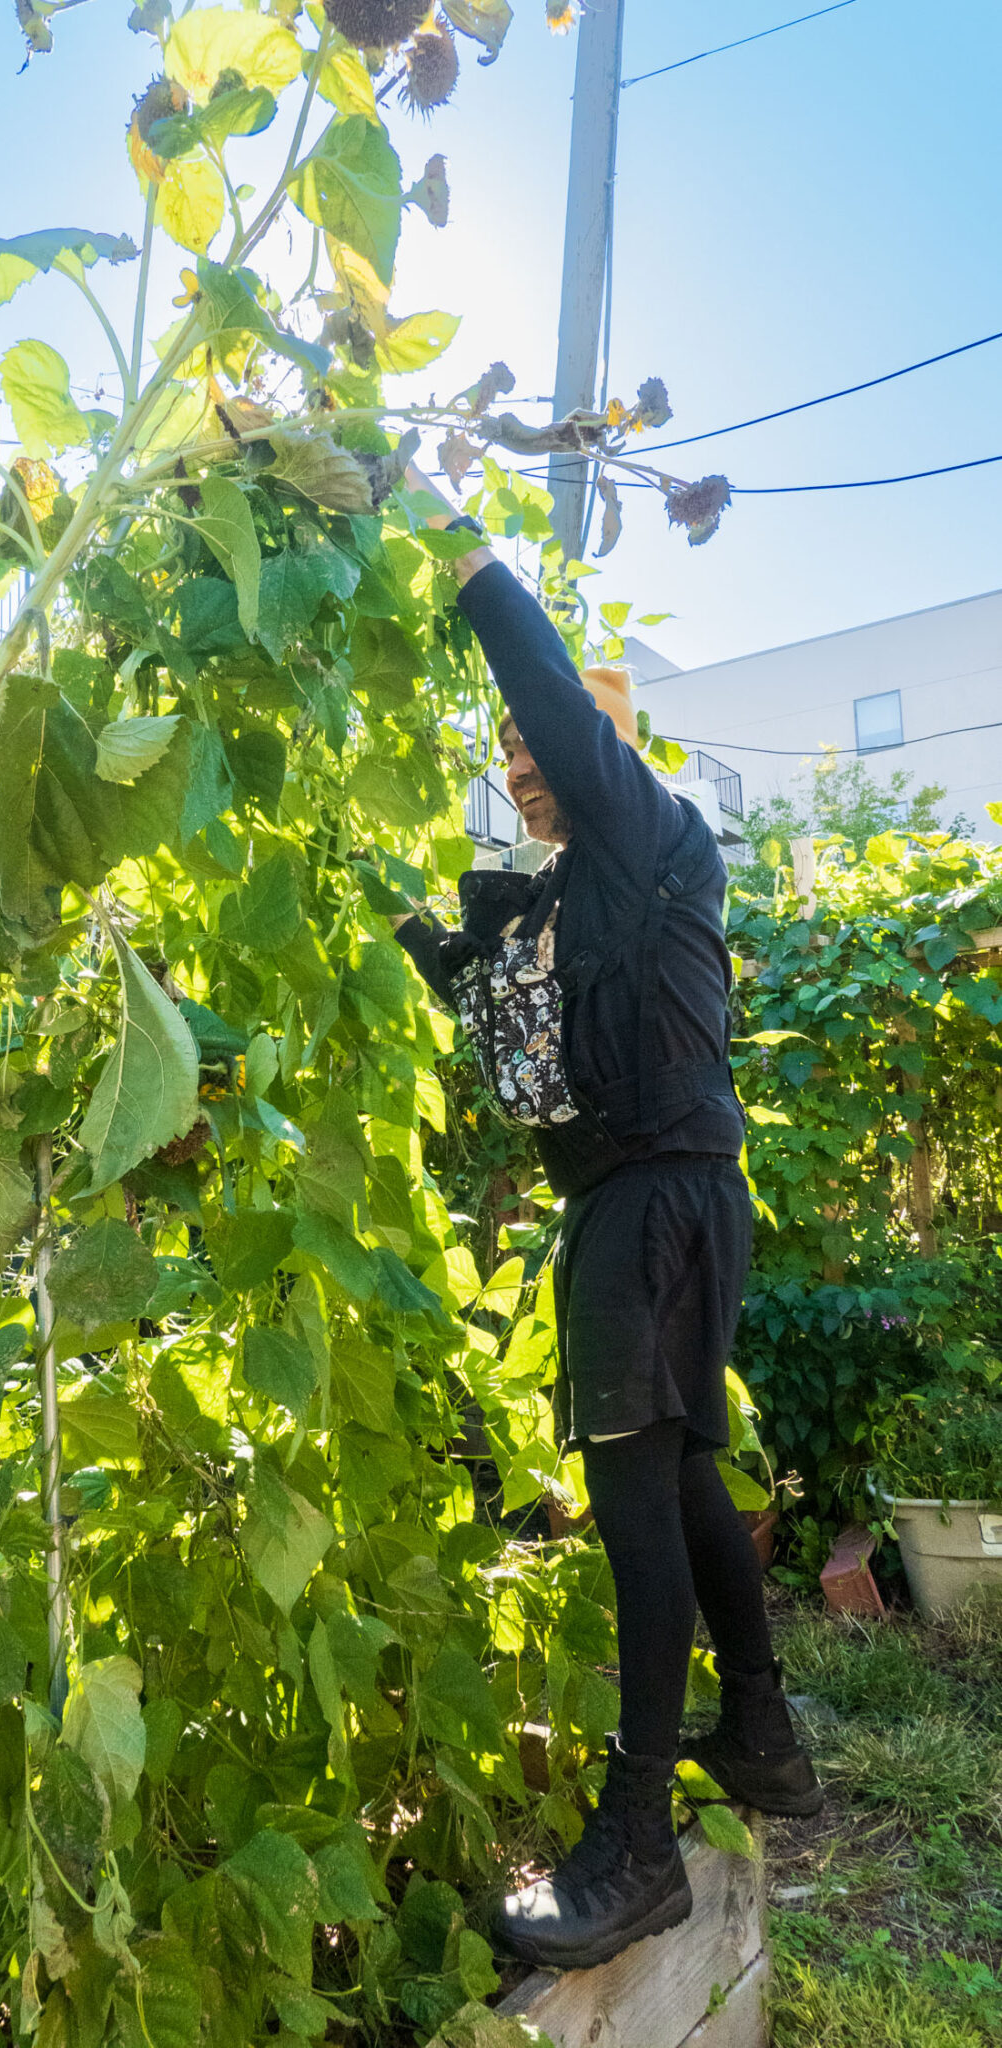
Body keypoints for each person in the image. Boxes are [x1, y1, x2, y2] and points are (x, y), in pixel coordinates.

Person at [390, 461, 822, 1975]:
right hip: (653, 1203)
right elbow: (502, 1018)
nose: (525, 760)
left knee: (633, 1507)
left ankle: (633, 1844)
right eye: (507, 748)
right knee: (692, 1477)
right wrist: (407, 933)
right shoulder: (565, 892)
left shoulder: (647, 829)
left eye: (547, 737)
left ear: (608, 741)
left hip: (654, 1205)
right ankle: (761, 1735)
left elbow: (557, 703)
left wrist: (449, 544)